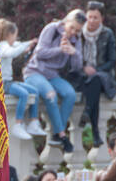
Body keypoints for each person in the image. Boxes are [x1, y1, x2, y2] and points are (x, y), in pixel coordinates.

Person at [22, 9, 84, 153]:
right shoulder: (51, 29)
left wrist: (74, 53)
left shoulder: (76, 40)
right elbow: (41, 53)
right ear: (65, 22)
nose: (73, 32)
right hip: (35, 72)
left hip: (53, 75)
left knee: (70, 94)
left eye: (77, 30)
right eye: (72, 28)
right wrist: (60, 50)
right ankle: (62, 135)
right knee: (51, 95)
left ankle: (57, 134)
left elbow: (76, 67)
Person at [73, 1, 116, 147]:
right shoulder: (78, 33)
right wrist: (84, 67)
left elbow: (112, 60)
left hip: (101, 74)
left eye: (95, 18)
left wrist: (96, 70)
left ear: (101, 19)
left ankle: (88, 114)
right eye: (90, 17)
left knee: (96, 81)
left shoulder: (107, 34)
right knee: (93, 89)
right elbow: (72, 59)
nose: (92, 21)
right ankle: (96, 133)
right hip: (82, 74)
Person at [0, 18, 40, 140]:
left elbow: (18, 45)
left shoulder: (7, 44)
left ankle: (33, 121)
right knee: (24, 94)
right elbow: (12, 53)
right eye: (15, 35)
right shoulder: (1, 46)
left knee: (34, 91)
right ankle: (18, 124)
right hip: (2, 84)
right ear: (9, 35)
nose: (16, 38)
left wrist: (29, 43)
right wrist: (27, 44)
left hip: (8, 82)